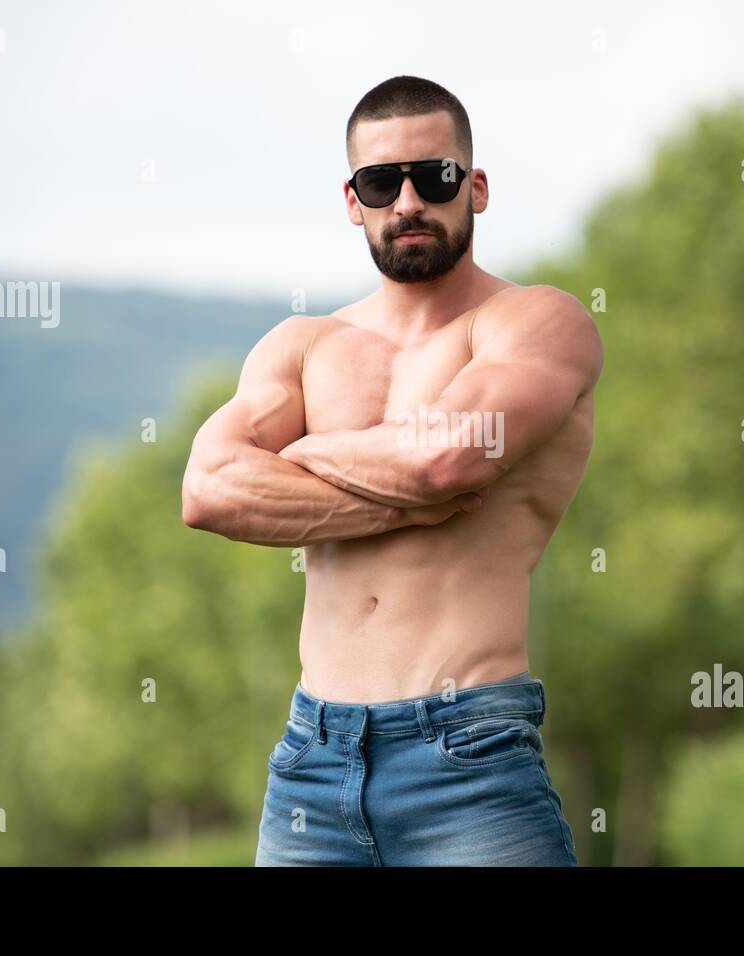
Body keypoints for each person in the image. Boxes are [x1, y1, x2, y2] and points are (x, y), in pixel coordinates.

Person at [181, 75, 602, 865]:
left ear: (474, 188)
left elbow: (445, 459)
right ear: (353, 200)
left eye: (433, 176)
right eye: (382, 182)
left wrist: (301, 455)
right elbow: (206, 490)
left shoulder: (538, 323)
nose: (407, 200)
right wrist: (407, 498)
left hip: (470, 757)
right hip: (312, 760)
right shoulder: (301, 345)